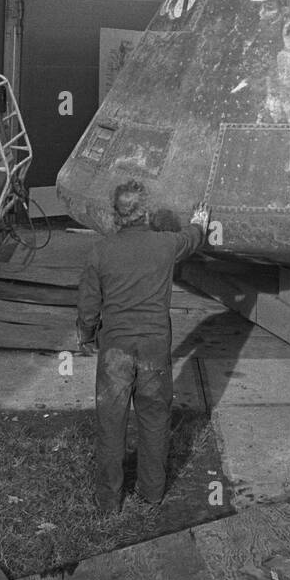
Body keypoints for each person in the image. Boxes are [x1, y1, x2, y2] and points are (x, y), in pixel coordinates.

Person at [77, 181, 210, 515]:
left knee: (111, 425)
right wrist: (200, 221)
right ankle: (151, 494)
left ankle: (110, 502)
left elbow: (88, 306)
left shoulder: (100, 251)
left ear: (115, 214)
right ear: (145, 212)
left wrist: (87, 335)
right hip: (154, 350)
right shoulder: (165, 245)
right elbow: (192, 240)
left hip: (115, 352)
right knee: (154, 420)